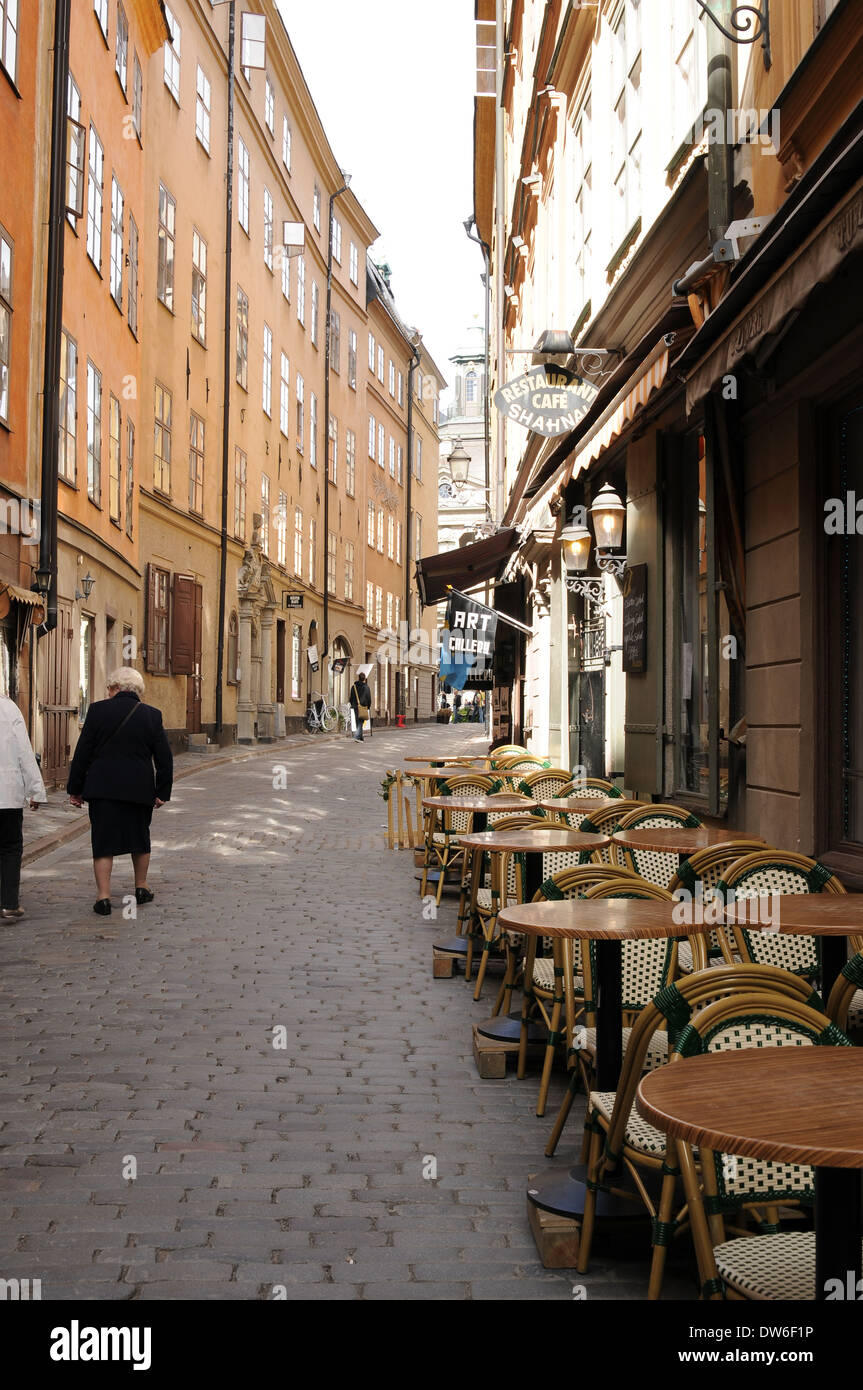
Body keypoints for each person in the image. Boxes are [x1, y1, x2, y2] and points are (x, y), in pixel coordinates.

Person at [67, 667, 173, 915]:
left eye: (109, 688)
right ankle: (141, 886)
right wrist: (162, 791)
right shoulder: (151, 715)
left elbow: (82, 753)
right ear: (138, 691)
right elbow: (164, 759)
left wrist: (75, 789)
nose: (107, 692)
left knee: (103, 842)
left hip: (102, 788)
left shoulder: (97, 711)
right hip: (139, 789)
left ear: (115, 688)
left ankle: (103, 897)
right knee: (139, 837)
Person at [0, 696, 47, 920]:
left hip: (8, 793)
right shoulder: (8, 708)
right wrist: (35, 790)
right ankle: (9, 903)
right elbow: (24, 753)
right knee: (9, 848)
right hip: (6, 794)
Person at [349, 673, 372, 742]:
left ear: (358, 678)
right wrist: (368, 706)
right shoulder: (366, 687)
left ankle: (360, 737)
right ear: (364, 679)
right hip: (363, 707)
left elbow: (351, 697)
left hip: (355, 706)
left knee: (358, 722)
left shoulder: (354, 687)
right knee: (360, 722)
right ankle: (356, 737)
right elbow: (369, 698)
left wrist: (352, 704)